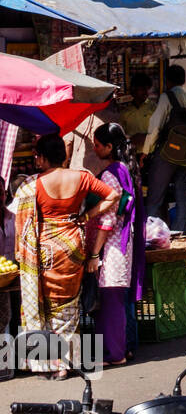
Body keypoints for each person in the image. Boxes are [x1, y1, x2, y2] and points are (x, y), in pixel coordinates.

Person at [10, 133, 119, 378]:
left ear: (43, 158)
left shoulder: (32, 185)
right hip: (72, 246)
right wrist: (87, 216)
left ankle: (54, 364)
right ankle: (71, 359)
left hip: (45, 249)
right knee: (68, 306)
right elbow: (113, 195)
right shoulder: (81, 177)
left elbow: (16, 214)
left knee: (45, 306)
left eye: (38, 156)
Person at [89, 123, 145, 367]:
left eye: (98, 145)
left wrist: (93, 253)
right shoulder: (126, 169)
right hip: (125, 244)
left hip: (113, 247)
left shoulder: (111, 173)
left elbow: (109, 218)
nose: (94, 148)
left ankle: (116, 354)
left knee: (111, 300)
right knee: (120, 300)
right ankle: (124, 349)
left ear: (109, 147)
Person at [143, 64, 186, 233]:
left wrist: (146, 151)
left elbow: (155, 127)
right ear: (183, 80)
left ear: (167, 81)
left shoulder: (167, 97)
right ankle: (180, 232)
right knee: (182, 196)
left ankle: (151, 233)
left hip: (166, 155)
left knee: (155, 196)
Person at [118, 73, 156, 153]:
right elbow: (120, 135)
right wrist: (131, 139)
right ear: (134, 89)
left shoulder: (154, 108)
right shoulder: (125, 111)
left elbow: (160, 131)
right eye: (142, 89)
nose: (146, 92)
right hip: (131, 154)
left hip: (150, 154)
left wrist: (146, 137)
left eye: (147, 89)